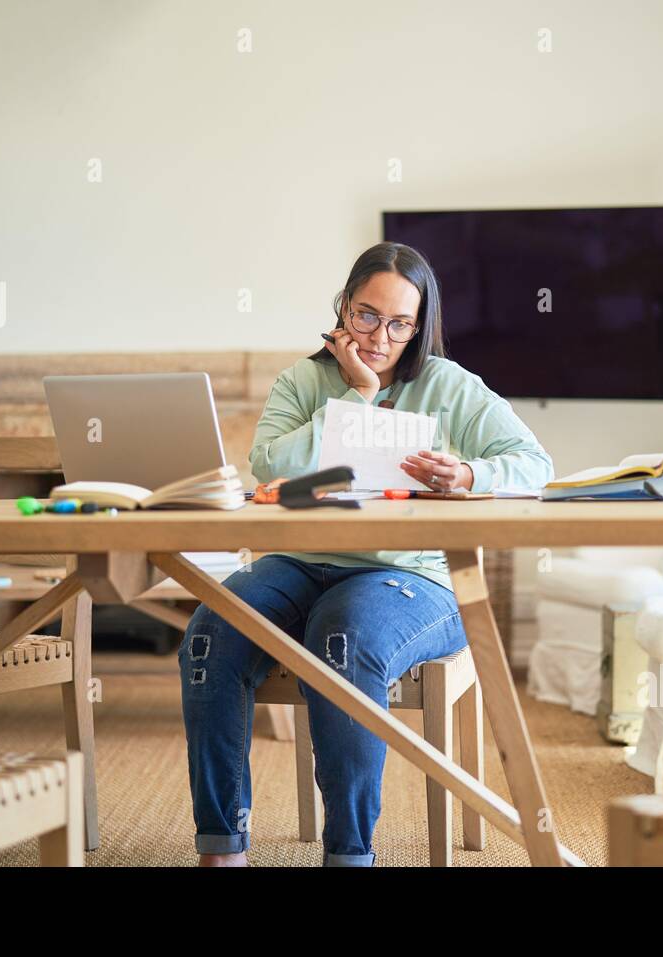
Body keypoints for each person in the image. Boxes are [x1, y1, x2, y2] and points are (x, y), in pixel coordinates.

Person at [179, 241, 554, 865]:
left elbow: (535, 466)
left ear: (419, 325)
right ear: (343, 308)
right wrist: (357, 395)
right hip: (300, 562)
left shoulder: (449, 386)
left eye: (399, 323)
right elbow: (270, 468)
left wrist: (465, 474)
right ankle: (221, 847)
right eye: (366, 315)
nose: (380, 336)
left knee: (342, 637)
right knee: (211, 633)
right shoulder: (304, 382)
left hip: (410, 576)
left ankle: (349, 854)